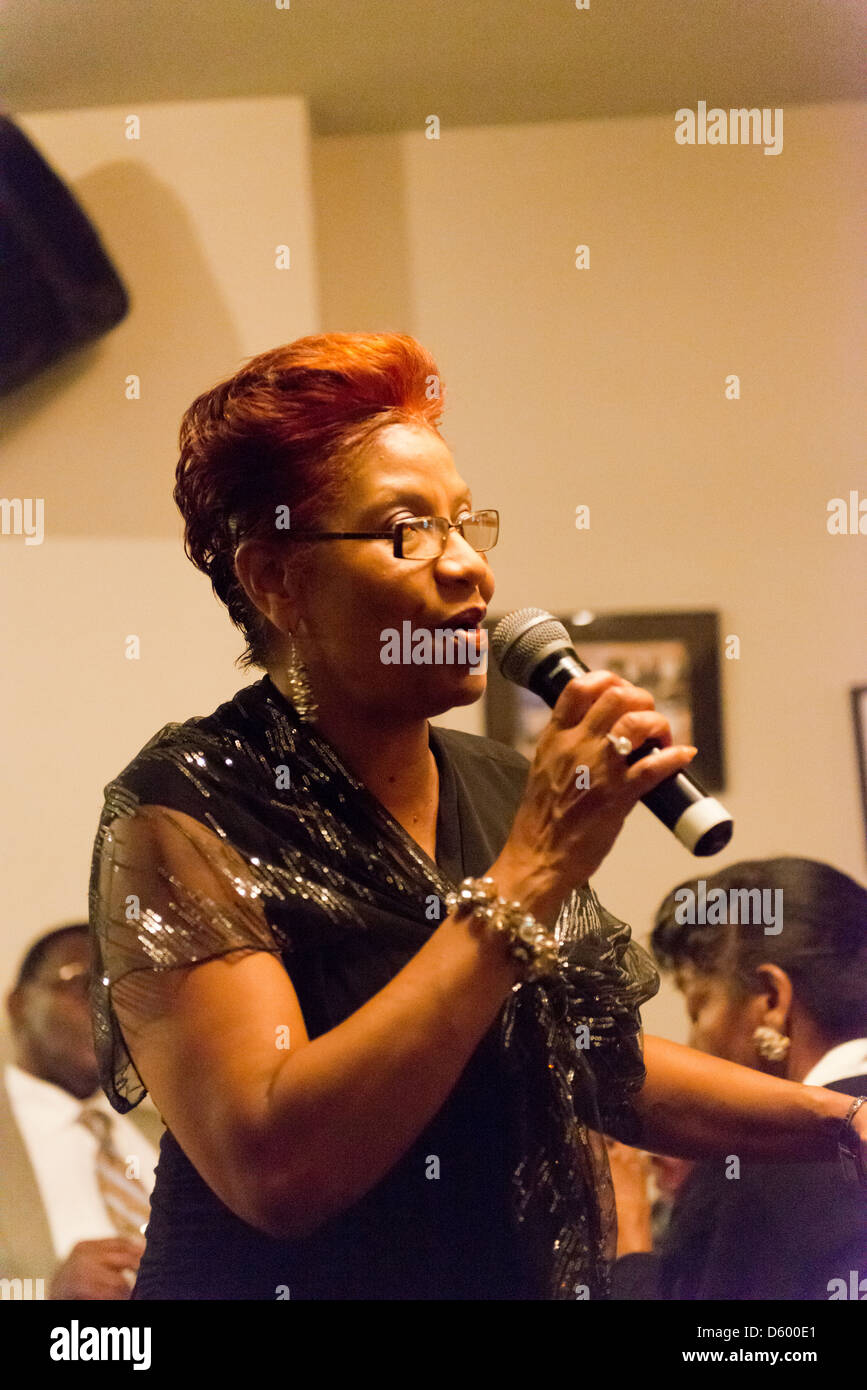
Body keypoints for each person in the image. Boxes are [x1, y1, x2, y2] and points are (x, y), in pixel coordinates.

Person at [87, 333, 867, 1300]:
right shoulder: (188, 808)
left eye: (467, 525)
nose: (470, 573)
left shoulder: (494, 784)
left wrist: (836, 1125)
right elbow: (276, 1168)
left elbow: (598, 1062)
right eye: (409, 532)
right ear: (276, 581)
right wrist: (532, 869)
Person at [610, 857, 867, 1300]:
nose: (691, 1042)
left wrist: (629, 1237)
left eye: (698, 1007)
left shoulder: (747, 1175)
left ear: (772, 1000)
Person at [1, 924, 158, 1298]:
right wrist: (43, 1295)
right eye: (85, 985)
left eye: (122, 993)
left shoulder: (176, 1134)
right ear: (19, 1005)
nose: (107, 1009)